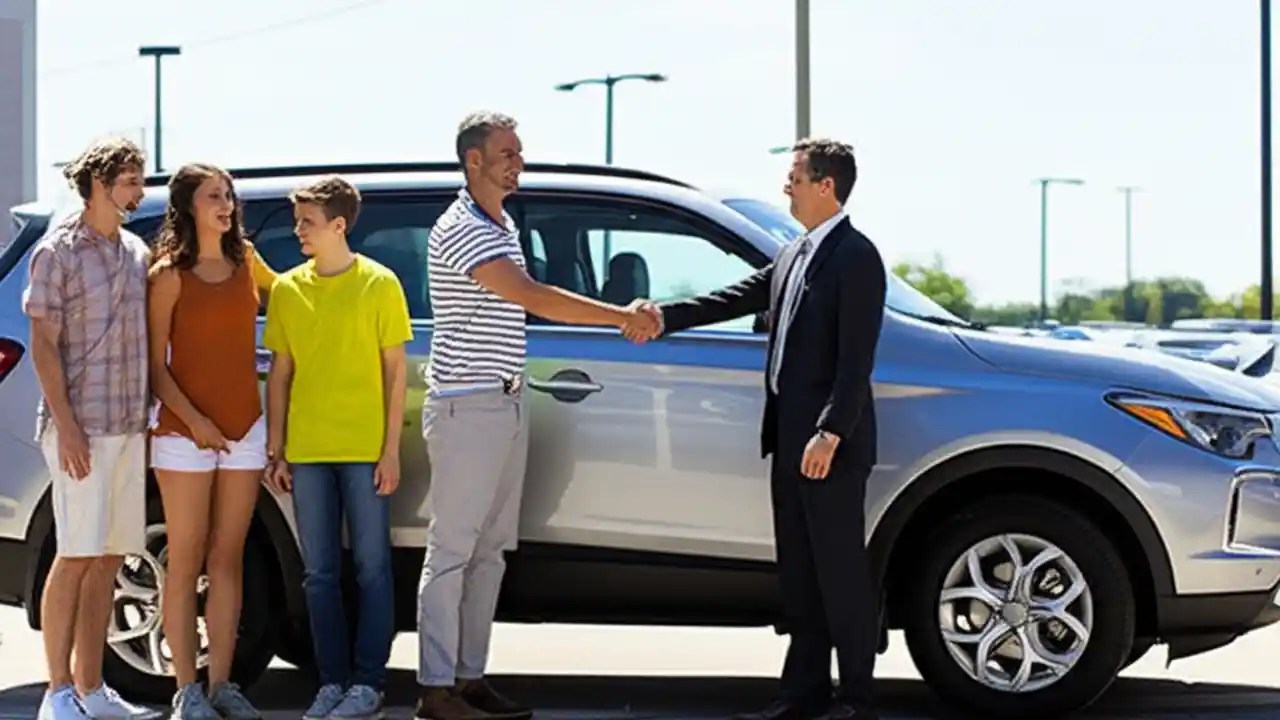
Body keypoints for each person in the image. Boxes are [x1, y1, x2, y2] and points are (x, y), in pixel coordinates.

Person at [626, 138, 885, 720]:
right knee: (801, 574)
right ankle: (802, 694)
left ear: (826, 185)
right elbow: (739, 295)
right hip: (789, 439)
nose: (786, 186)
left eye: (795, 176)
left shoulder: (856, 256)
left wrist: (830, 433)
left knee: (840, 574)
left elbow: (856, 360)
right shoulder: (796, 253)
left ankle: (858, 700)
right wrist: (666, 316)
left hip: (828, 445)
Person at [412, 111, 657, 720]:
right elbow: (532, 297)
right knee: (452, 550)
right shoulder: (464, 227)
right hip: (467, 407)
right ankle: (435, 690)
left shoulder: (501, 222)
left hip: (502, 402)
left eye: (518, 153)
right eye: (507, 153)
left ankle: (470, 679)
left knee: (490, 550)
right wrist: (618, 315)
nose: (517, 162)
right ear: (474, 160)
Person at [261, 175, 411, 720]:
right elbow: (280, 373)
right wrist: (275, 449)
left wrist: (390, 449)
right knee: (318, 573)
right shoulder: (286, 290)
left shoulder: (380, 284)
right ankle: (332, 683)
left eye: (307, 221)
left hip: (365, 449)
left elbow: (396, 371)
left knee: (372, 567)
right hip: (306, 452)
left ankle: (368, 685)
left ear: (339, 225)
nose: (298, 230)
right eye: (298, 219)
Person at [23, 136, 161, 720]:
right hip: (79, 427)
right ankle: (57, 693)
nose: (140, 190)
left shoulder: (134, 251)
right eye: (131, 180)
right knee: (75, 555)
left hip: (129, 426)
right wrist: (69, 426)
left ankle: (91, 688)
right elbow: (43, 345)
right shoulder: (57, 253)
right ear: (100, 183)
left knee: (109, 556)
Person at [146, 163, 279, 719]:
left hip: (246, 428)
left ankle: (223, 684)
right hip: (184, 434)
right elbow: (156, 368)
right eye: (212, 197)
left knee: (228, 558)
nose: (225, 205)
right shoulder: (167, 276)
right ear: (188, 207)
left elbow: (296, 300)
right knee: (186, 559)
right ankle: (187, 691)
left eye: (228, 195)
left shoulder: (248, 261)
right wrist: (196, 421)